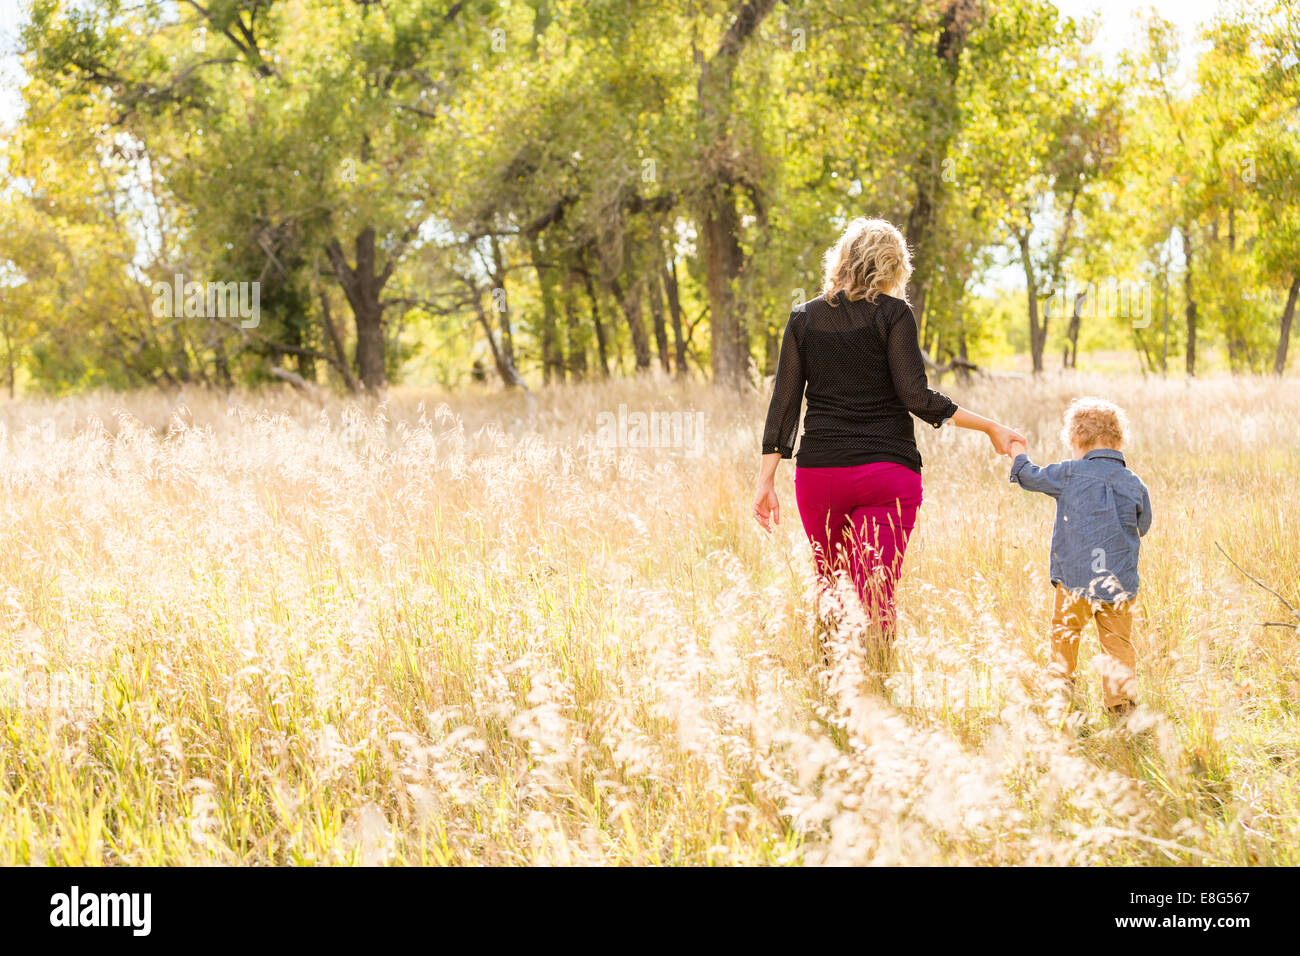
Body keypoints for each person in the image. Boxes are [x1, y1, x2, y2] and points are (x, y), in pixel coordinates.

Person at [753, 218, 1024, 665]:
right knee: (874, 590)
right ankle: (876, 685)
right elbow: (916, 396)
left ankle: (833, 687)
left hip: (821, 476)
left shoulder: (803, 318)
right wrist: (991, 426)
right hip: (887, 474)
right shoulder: (893, 314)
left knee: (831, 586)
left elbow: (784, 403)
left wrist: (766, 481)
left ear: (842, 259)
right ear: (893, 265)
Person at [1008, 397, 1153, 717]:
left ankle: (1060, 696)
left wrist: (1017, 452)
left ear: (1076, 438)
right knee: (1117, 644)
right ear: (1118, 440)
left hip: (1074, 581)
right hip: (1119, 584)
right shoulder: (1134, 483)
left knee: (1065, 634)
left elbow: (1029, 476)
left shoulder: (1069, 473)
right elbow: (1143, 526)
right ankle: (1121, 707)